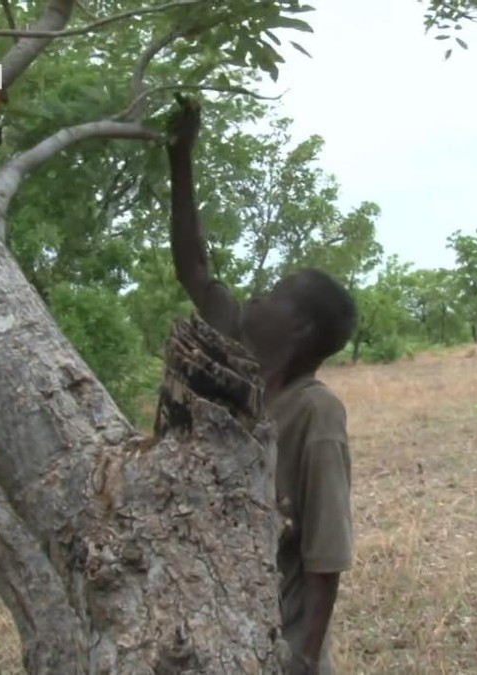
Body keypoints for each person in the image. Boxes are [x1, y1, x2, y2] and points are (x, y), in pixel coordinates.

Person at [164, 93, 356, 675]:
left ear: (299, 327)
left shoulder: (315, 413)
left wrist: (300, 659)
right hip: (220, 628)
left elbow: (325, 556)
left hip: (277, 645)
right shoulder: (240, 369)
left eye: (274, 294)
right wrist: (181, 160)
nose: (255, 297)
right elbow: (194, 268)